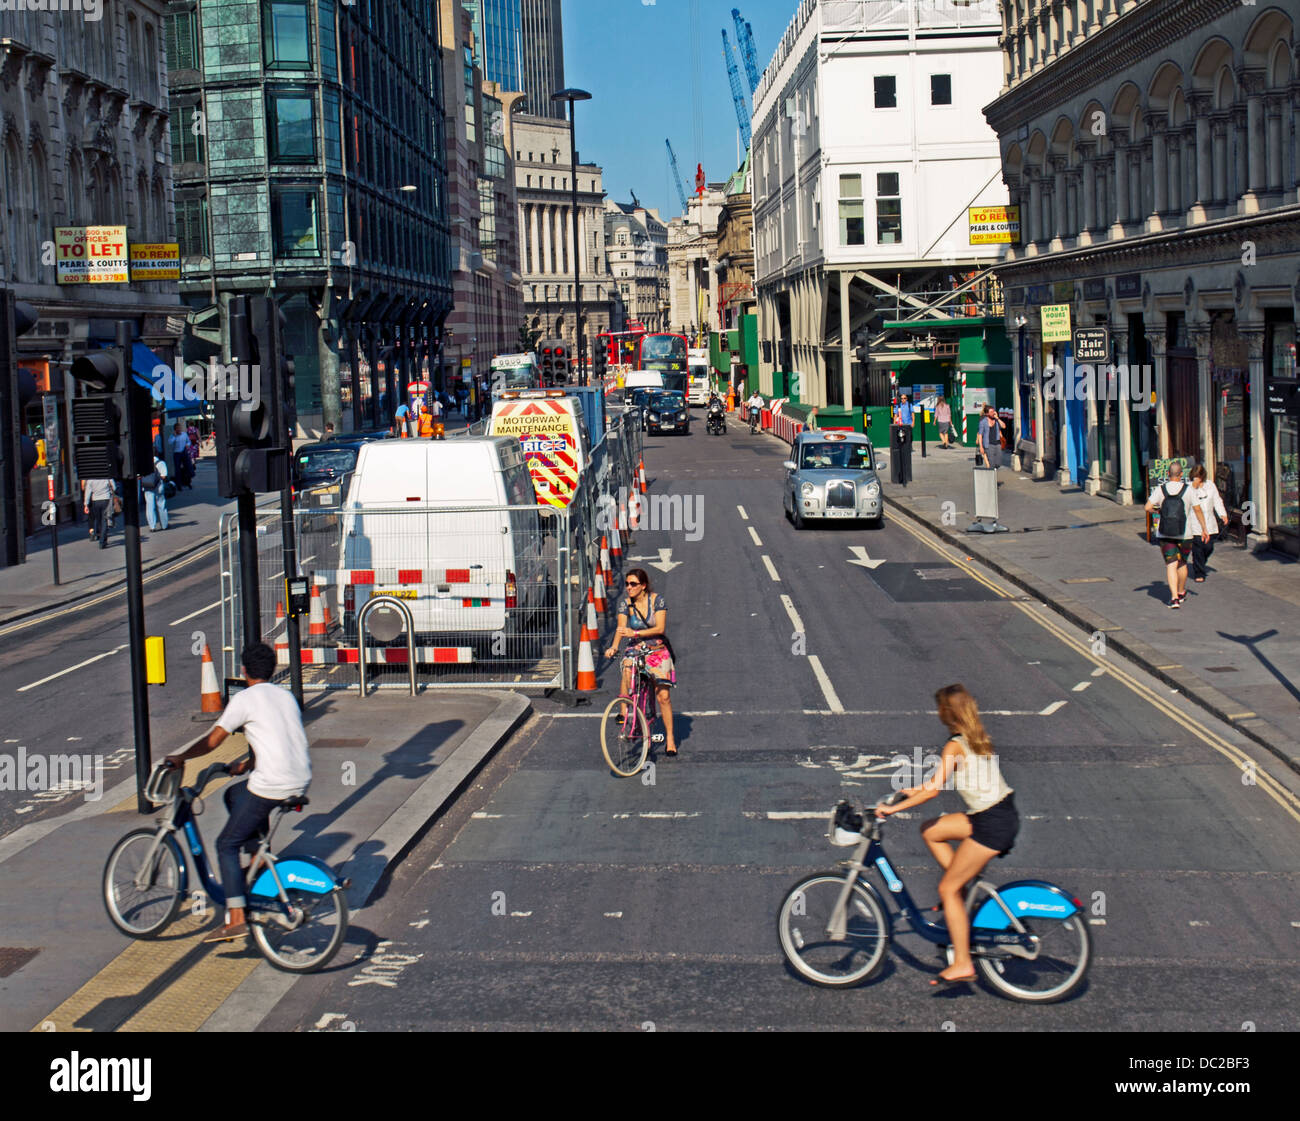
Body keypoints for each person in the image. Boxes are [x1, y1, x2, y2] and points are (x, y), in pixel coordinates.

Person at [164, 642, 312, 943]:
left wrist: (182, 757)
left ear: (244, 670)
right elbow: (276, 739)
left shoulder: (245, 698)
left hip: (273, 783)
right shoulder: (285, 696)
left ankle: (235, 918)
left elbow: (213, 741)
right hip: (300, 778)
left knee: (225, 845)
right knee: (234, 795)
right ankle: (258, 858)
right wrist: (246, 763)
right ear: (272, 669)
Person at [876, 683, 1018, 986]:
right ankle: (960, 893)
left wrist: (892, 810)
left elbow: (933, 791)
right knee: (932, 830)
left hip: (991, 824)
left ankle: (963, 962)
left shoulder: (955, 745)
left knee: (946, 890)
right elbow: (939, 783)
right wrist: (913, 791)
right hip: (997, 815)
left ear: (945, 713)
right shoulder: (976, 737)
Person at [604, 568, 678, 757]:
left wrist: (635, 633)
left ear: (643, 586)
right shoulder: (625, 605)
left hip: (656, 649)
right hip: (635, 648)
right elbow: (621, 629)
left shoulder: (657, 601)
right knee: (627, 669)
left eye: (633, 584)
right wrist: (613, 647)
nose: (628, 588)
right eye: (627, 584)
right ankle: (629, 711)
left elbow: (660, 628)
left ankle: (669, 738)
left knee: (663, 697)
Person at [1145, 461, 1210, 608]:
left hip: (1165, 533)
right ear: (1181, 474)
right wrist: (1204, 528)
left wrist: (1159, 510)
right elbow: (1198, 510)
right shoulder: (1188, 490)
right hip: (1185, 534)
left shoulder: (1161, 489)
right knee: (1182, 564)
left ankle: (1174, 598)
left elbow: (1148, 507)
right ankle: (1181, 592)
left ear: (1168, 474)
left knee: (1171, 564)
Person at [1189, 464, 1228, 583]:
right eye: (1195, 477)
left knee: (1208, 547)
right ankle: (1199, 572)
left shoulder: (1210, 485)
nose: (1197, 479)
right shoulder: (1188, 487)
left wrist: (1222, 514)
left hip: (1209, 521)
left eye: (1199, 477)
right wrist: (1193, 487)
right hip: (1195, 522)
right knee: (1198, 548)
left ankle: (1200, 563)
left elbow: (1217, 500)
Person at [82, 477, 115, 549]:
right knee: (105, 520)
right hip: (106, 499)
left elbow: (88, 492)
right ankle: (102, 540)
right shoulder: (107, 476)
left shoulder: (91, 479)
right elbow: (114, 487)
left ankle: (101, 537)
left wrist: (86, 504)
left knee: (99, 520)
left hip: (95, 501)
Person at [140, 452, 169, 531]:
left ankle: (152, 526)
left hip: (147, 487)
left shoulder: (144, 463)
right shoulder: (160, 463)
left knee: (149, 506)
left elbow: (139, 476)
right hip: (158, 487)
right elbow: (164, 476)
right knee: (161, 505)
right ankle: (164, 525)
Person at [170, 421, 192, 489]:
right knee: (177, 469)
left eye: (179, 428)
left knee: (187, 467)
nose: (179, 429)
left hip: (184, 452)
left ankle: (188, 482)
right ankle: (179, 484)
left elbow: (189, 441)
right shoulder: (173, 435)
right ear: (175, 429)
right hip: (177, 453)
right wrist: (174, 436)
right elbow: (170, 442)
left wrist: (187, 445)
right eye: (177, 428)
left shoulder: (184, 434)